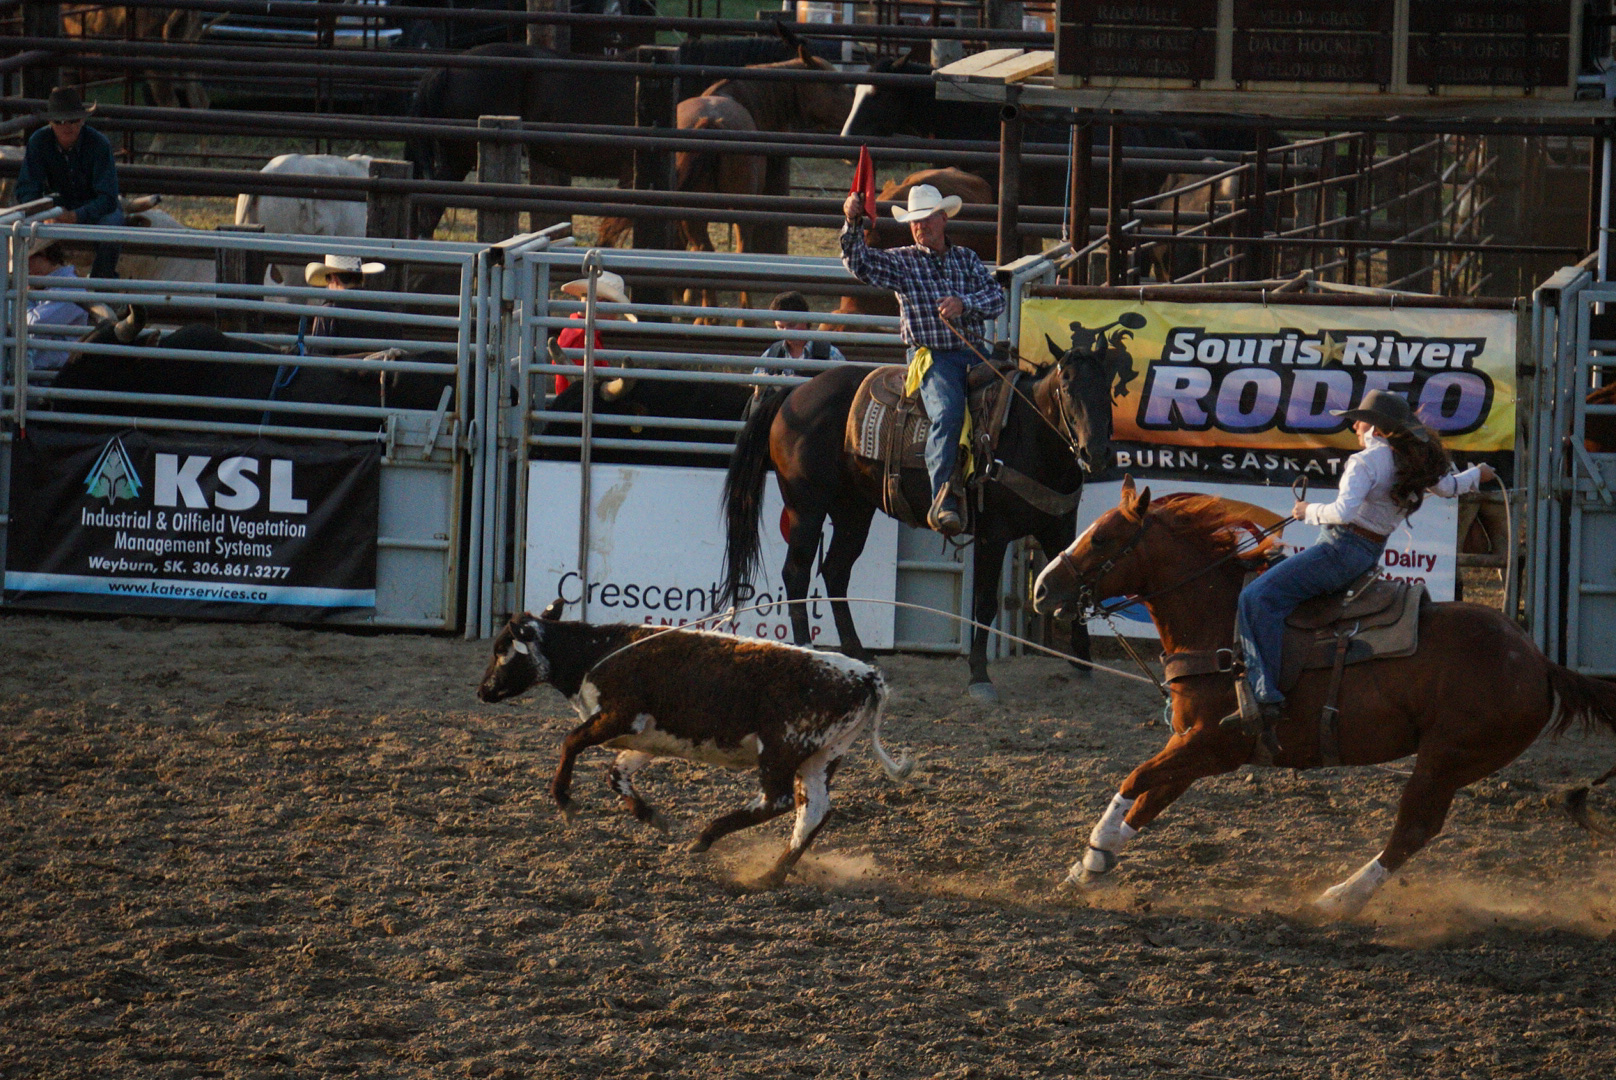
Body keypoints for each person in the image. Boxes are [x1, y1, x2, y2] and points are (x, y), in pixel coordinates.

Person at [1224, 390, 1497, 734]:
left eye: (1359, 419)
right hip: (1366, 553)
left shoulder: (1365, 462)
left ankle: (1262, 696)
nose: (1354, 425)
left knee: (1256, 598)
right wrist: (1479, 474)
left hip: (1338, 550)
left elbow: (1342, 512)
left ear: (1377, 428)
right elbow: (1448, 487)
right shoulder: (1411, 460)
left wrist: (1306, 511)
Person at [841, 183, 1005, 536]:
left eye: (927, 219)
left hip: (975, 352)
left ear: (943, 219)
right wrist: (853, 224)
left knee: (1011, 399)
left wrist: (965, 304)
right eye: (915, 221)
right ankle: (943, 496)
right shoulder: (903, 261)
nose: (920, 226)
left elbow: (996, 298)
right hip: (932, 357)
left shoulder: (967, 259)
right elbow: (860, 264)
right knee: (947, 412)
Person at [14, 87, 123, 279]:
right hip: (55, 208)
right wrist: (42, 212)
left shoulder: (99, 144)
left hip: (92, 208)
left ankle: (100, 285)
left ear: (82, 120)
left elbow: (107, 198)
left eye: (73, 120)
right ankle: (29, 283)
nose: (67, 126)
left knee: (111, 227)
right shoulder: (39, 141)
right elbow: (27, 189)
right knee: (20, 229)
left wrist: (76, 215)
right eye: (60, 121)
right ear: (51, 122)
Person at [750, 290, 845, 407]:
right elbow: (755, 384)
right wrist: (761, 382)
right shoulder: (772, 353)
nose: (786, 332)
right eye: (781, 327)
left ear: (805, 320)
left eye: (791, 325)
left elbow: (843, 389)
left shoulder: (830, 354)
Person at [552, 271, 636, 395]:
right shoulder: (582, 337)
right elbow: (580, 390)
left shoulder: (577, 331)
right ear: (600, 303)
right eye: (615, 308)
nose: (616, 316)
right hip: (580, 409)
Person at [24, 237, 88, 372]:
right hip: (40, 373)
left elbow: (35, 328)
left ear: (45, 254)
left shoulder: (71, 287)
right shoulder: (47, 286)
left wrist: (23, 300)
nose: (25, 268)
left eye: (27, 260)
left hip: (56, 375)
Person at [304, 253, 387, 350]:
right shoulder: (386, 310)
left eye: (327, 279)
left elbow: (317, 357)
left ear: (334, 279)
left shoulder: (328, 313)